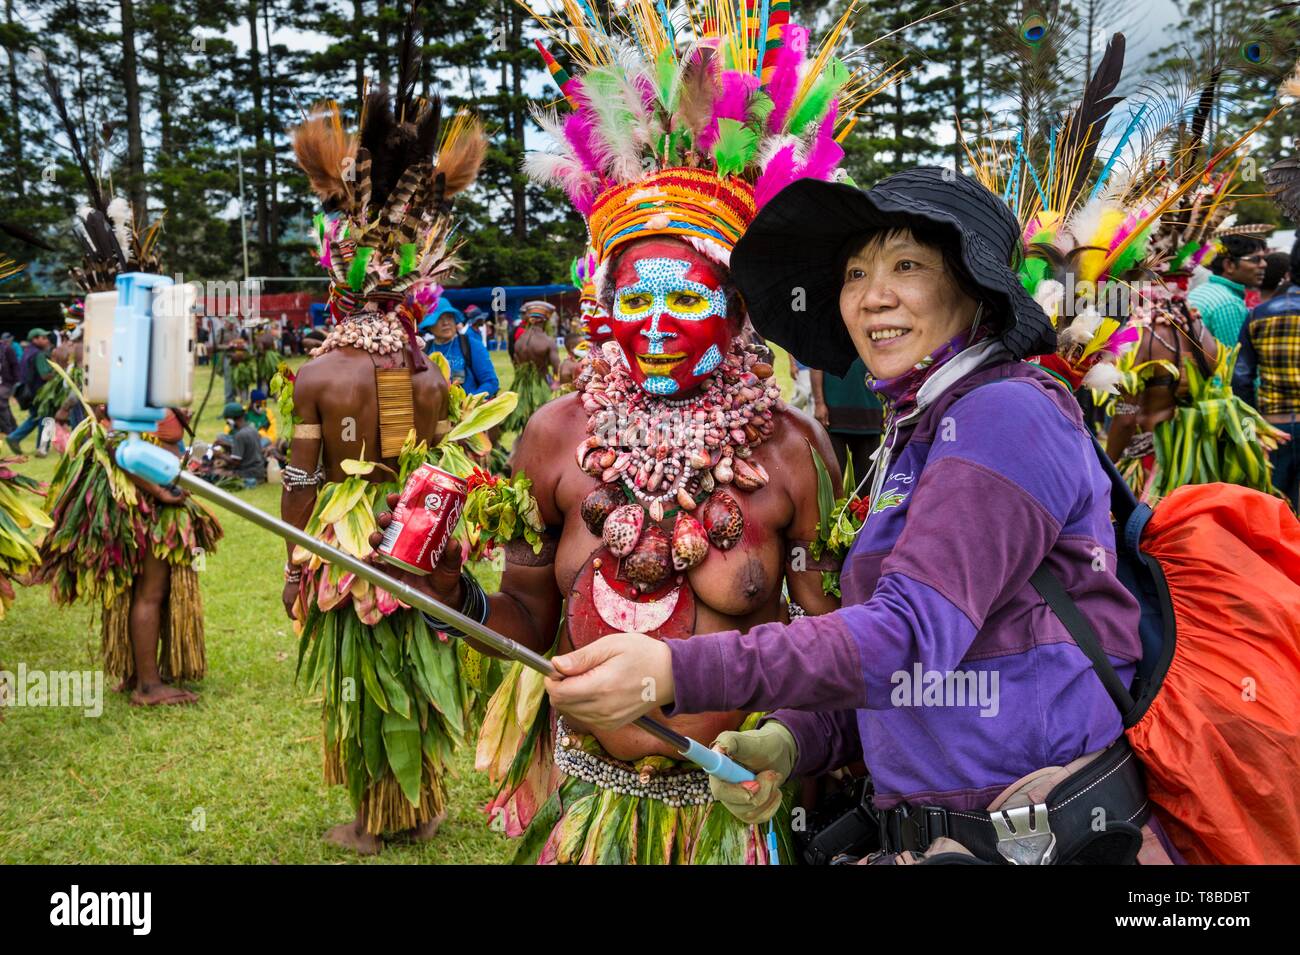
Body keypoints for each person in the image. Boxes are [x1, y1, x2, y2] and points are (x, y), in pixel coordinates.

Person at [541, 167, 1177, 866]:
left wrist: (674, 668)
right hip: (940, 838)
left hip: (1034, 835)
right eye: (853, 272)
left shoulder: (1005, 413)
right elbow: (906, 671)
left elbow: (906, 636)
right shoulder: (922, 424)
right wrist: (794, 739)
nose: (872, 296)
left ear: (975, 289)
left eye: (906, 265)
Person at [375, 5, 856, 865]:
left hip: (733, 821)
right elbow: (526, 613)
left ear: (737, 311)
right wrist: (453, 595)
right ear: (603, 311)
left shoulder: (793, 450)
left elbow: (835, 652)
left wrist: (785, 756)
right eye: (635, 300)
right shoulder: (555, 437)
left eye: (686, 300)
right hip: (590, 805)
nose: (658, 325)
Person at [284, 84, 487, 854]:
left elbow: (303, 479)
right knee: (410, 657)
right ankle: (422, 804)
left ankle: (376, 821)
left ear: (338, 271)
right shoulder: (424, 375)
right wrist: (435, 554)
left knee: (364, 679)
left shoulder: (321, 377)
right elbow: (428, 471)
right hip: (409, 538)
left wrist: (295, 558)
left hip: (345, 540)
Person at [1234, 237, 1300, 511]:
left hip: (1273, 429)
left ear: (1289, 272)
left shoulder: (1257, 315)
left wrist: (1251, 434)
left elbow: (1241, 379)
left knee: (1275, 514)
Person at [1187, 233, 1267, 347]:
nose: (1264, 264)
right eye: (1256, 259)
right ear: (1229, 265)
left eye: (1263, 259)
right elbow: (1232, 361)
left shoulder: (1204, 290)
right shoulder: (1229, 303)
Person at [811, 358, 883, 476]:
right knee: (832, 481)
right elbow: (815, 364)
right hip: (833, 415)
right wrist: (819, 403)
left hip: (870, 414)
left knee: (867, 487)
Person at [420, 298, 499, 397]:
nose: (446, 323)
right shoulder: (423, 351)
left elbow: (490, 382)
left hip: (466, 410)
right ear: (429, 325)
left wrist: (470, 402)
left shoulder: (471, 345)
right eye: (439, 318)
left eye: (449, 317)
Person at [501, 300, 560, 433]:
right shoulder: (548, 342)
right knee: (541, 419)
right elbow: (557, 367)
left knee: (524, 419)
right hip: (541, 384)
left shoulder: (520, 340)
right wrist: (556, 382)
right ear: (545, 321)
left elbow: (515, 361)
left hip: (520, 386)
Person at [5, 328, 55, 455]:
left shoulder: (27, 352)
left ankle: (14, 437)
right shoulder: (39, 354)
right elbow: (45, 375)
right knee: (47, 419)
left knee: (34, 418)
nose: (46, 340)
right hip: (41, 394)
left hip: (30, 393)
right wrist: (59, 373)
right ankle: (42, 448)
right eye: (43, 338)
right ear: (35, 339)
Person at [205, 402, 266, 489]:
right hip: (259, 470)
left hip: (248, 473)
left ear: (231, 420)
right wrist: (225, 444)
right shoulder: (252, 429)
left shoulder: (239, 435)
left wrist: (220, 455)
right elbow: (247, 448)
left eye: (227, 421)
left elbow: (235, 462)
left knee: (215, 473)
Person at [0, 331, 18, 436]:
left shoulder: (7, 349)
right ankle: (13, 427)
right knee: (4, 406)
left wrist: (17, 382)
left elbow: (15, 366)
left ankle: (8, 430)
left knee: (1, 404)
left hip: (6, 383)